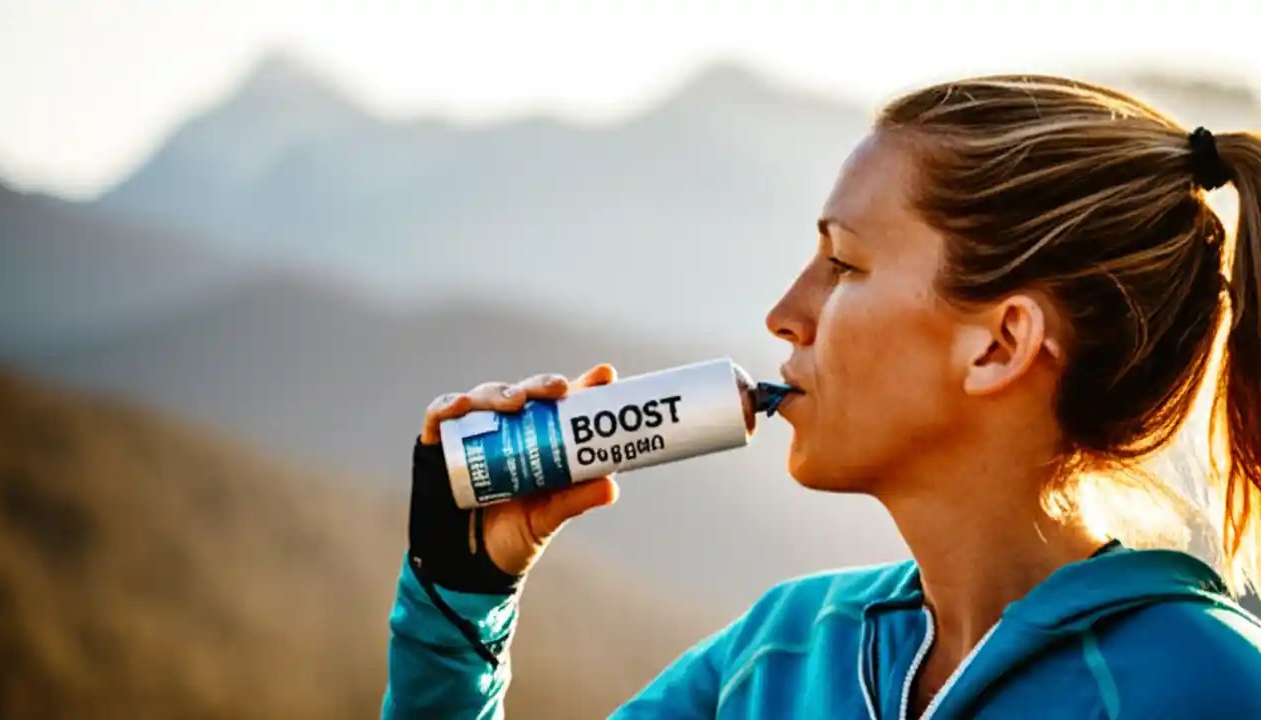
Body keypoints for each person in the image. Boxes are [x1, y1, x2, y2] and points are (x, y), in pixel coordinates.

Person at [381, 75, 1261, 719]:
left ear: (1000, 345)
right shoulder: (776, 658)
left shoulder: (1208, 688)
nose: (784, 316)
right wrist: (457, 600)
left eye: (843, 264)